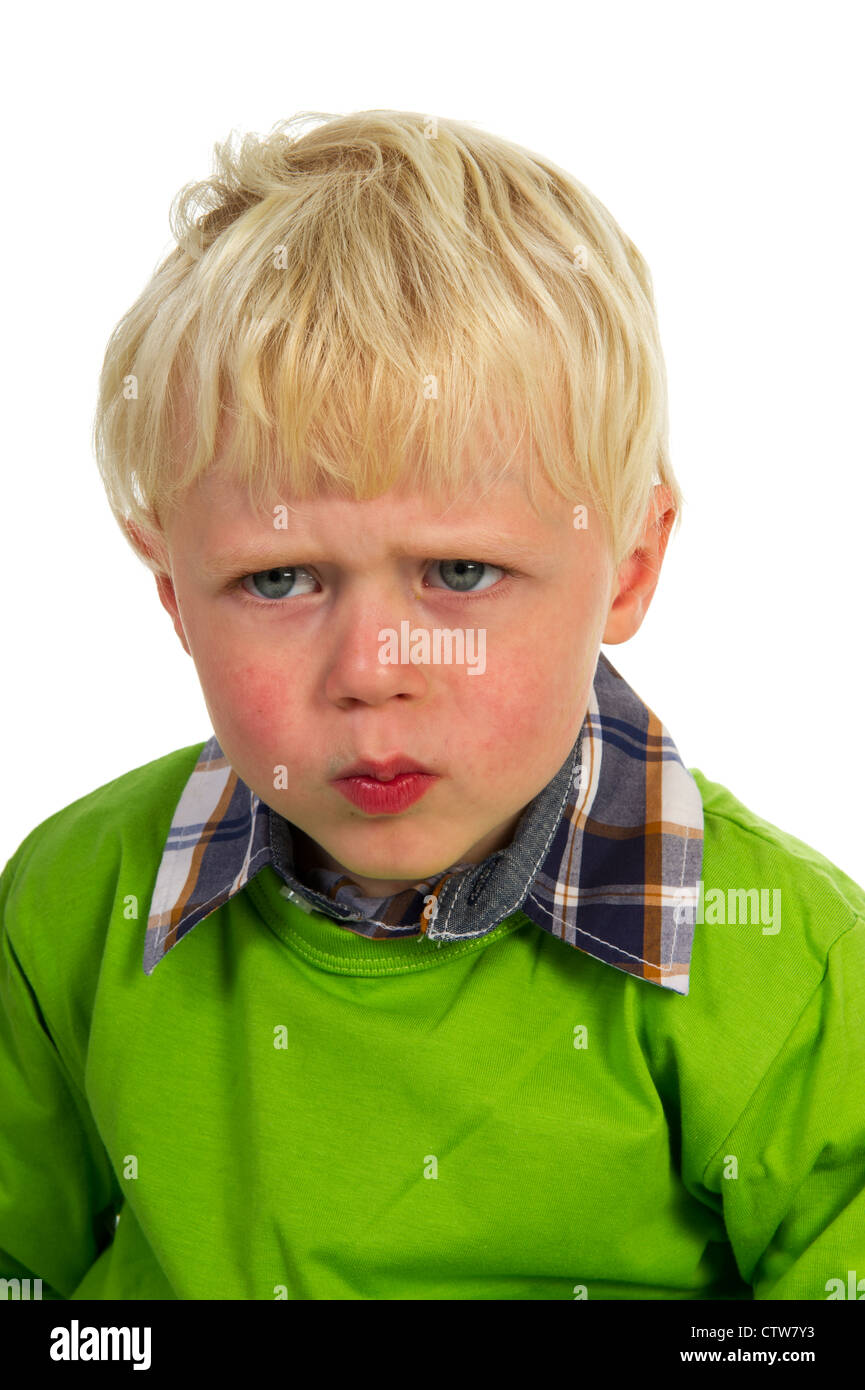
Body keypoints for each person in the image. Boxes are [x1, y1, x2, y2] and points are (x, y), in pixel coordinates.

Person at [2, 109, 863, 1302]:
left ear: (626, 567)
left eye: (459, 573)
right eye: (279, 578)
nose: (372, 665)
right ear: (173, 596)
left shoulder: (791, 964)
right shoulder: (67, 905)